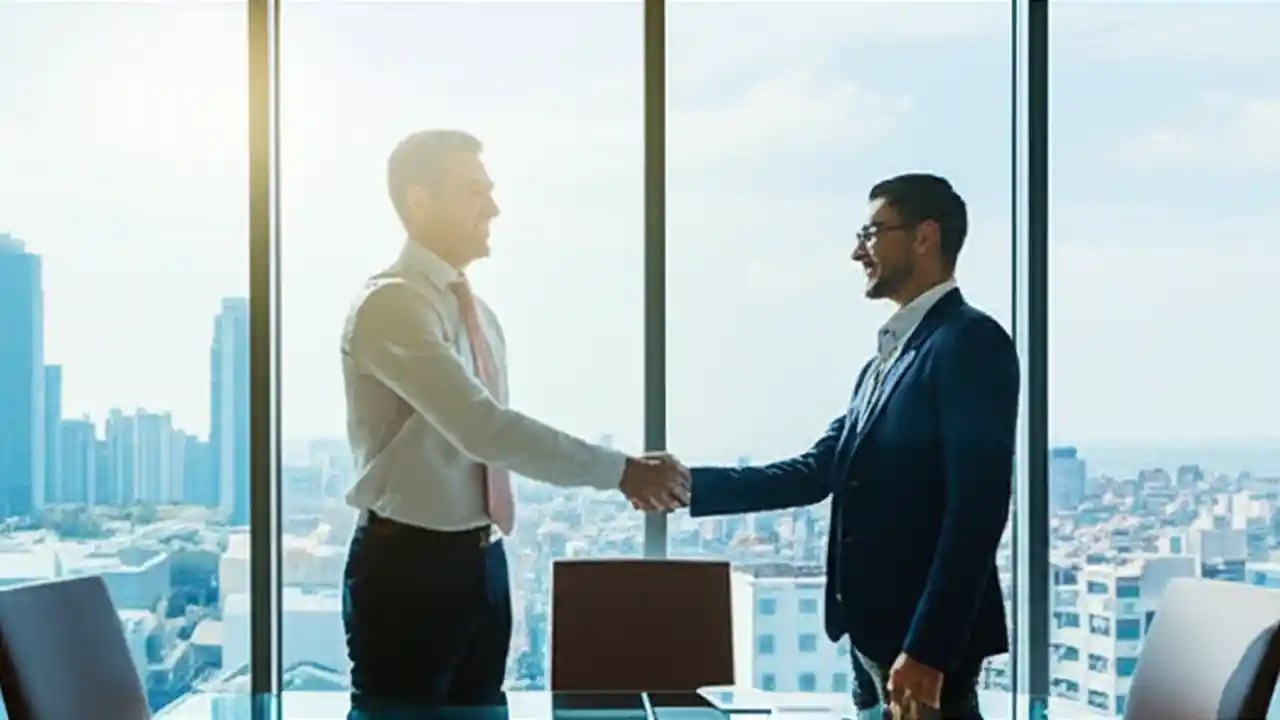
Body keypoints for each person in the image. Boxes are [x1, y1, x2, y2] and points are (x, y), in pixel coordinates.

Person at [339, 129, 689, 717]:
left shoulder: (478, 314)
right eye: (474, 191)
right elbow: (483, 428)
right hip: (408, 571)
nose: (493, 208)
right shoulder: (392, 305)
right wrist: (620, 471)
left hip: (481, 560)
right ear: (419, 198)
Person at [682, 174, 1019, 719]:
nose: (856, 251)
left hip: (921, 649)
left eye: (871, 232)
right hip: (874, 644)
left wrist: (929, 648)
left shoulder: (969, 343)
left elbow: (977, 510)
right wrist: (686, 485)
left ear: (924, 237)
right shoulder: (885, 361)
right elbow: (817, 471)